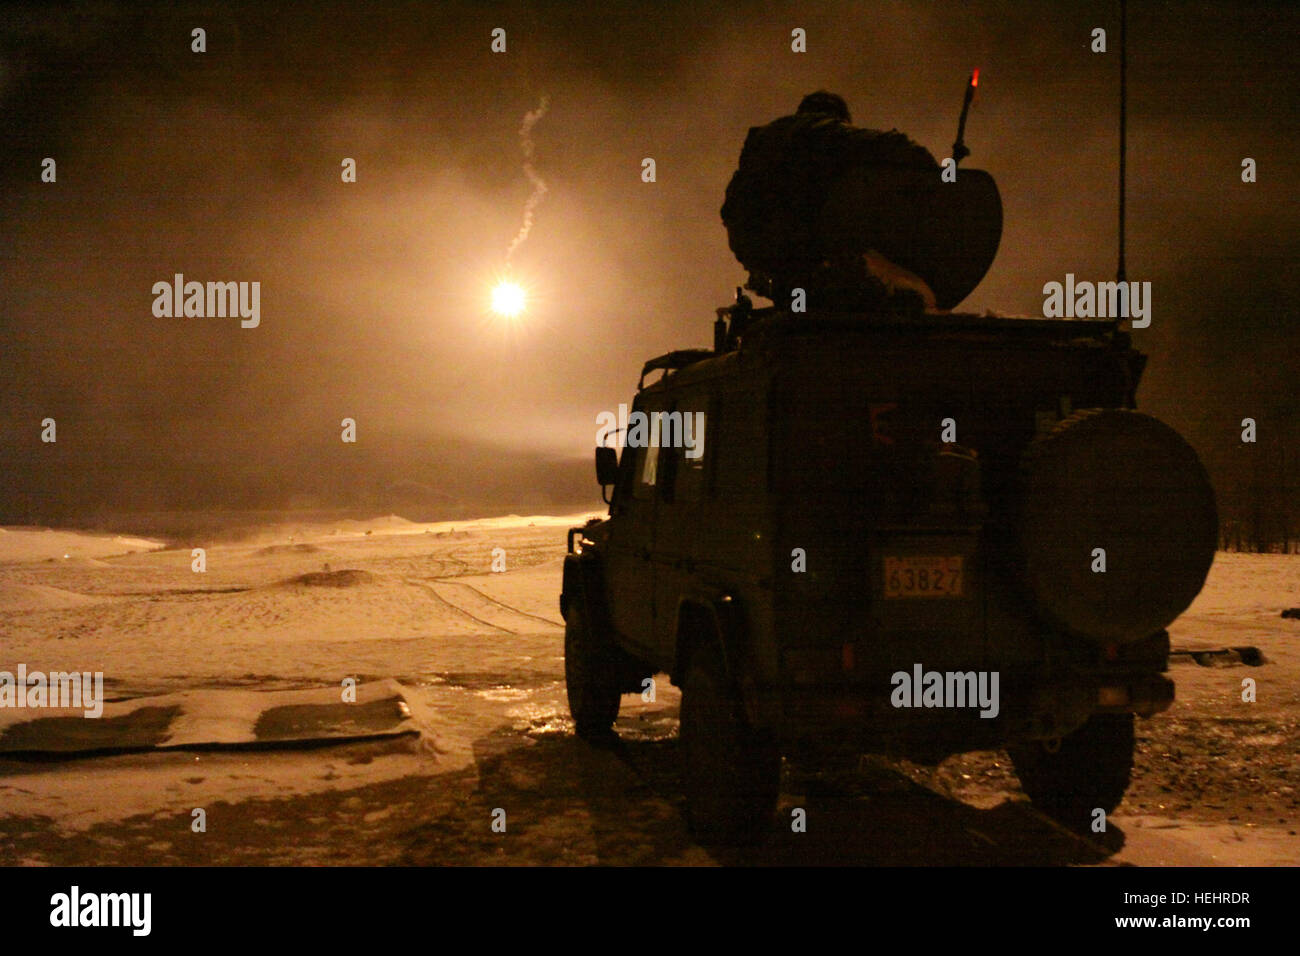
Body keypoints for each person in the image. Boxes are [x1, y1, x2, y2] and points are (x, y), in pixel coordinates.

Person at [721, 91, 940, 309]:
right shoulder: (826, 131)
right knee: (901, 296)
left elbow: (732, 210)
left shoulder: (763, 143)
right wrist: (934, 180)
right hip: (806, 254)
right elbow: (899, 146)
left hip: (761, 255)